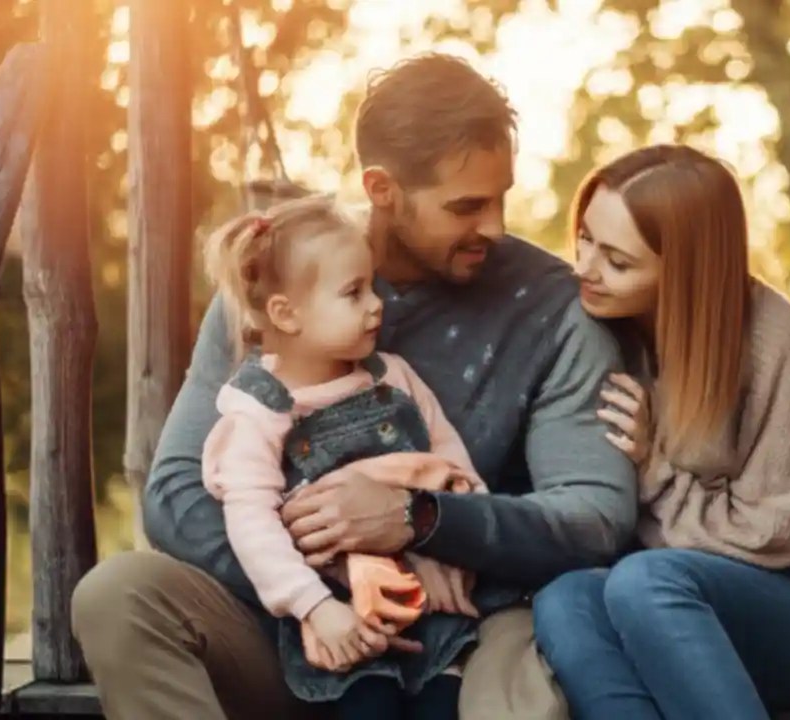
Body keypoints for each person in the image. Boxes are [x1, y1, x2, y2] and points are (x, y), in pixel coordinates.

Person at [70, 52, 636, 720]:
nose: (495, 226)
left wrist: (419, 521)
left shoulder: (553, 312)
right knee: (118, 594)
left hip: (467, 622)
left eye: (501, 197)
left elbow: (594, 518)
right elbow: (177, 496)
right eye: (467, 205)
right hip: (298, 622)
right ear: (382, 188)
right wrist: (337, 584)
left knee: (516, 704)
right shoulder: (273, 289)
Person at [531, 144, 790, 720]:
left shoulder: (769, 338)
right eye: (585, 238)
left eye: (617, 261)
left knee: (644, 581)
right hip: (657, 612)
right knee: (564, 600)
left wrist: (653, 470)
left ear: (686, 270)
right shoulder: (595, 327)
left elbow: (770, 534)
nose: (586, 268)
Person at [197, 193, 501, 719]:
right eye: (353, 293)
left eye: (373, 286)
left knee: (443, 706)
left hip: (434, 614)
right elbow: (251, 523)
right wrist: (313, 607)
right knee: (369, 708)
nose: (376, 304)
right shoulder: (260, 413)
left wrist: (454, 551)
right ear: (285, 314)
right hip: (343, 623)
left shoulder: (395, 378)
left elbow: (455, 470)